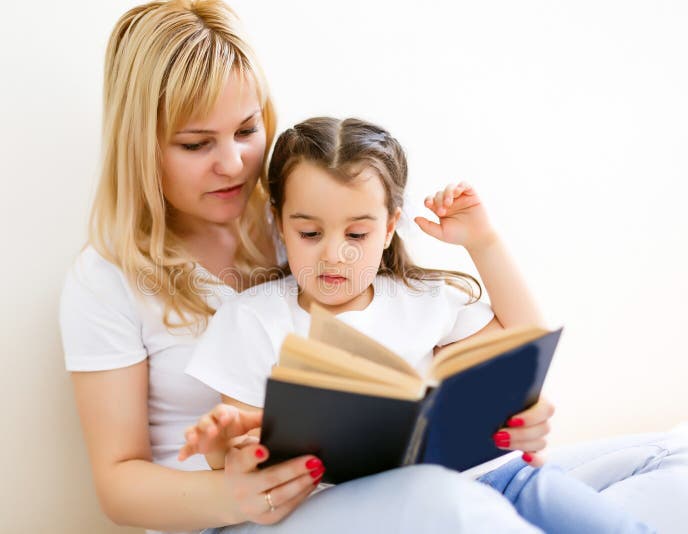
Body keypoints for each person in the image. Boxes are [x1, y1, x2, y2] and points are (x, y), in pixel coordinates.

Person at [59, 1, 688, 533]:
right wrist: (233, 491)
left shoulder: (318, 221)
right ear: (141, 145)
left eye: (247, 130)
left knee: (670, 457)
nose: (233, 163)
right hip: (262, 513)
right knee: (446, 500)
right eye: (197, 144)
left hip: (424, 488)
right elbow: (120, 484)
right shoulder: (112, 278)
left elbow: (496, 349)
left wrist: (513, 408)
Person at [177, 116, 660, 533]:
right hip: (383, 511)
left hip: (499, 476)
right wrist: (224, 446)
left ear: (389, 228)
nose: (334, 254)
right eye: (309, 233)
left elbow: (526, 346)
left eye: (357, 233)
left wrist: (483, 243)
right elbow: (240, 451)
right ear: (280, 222)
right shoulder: (254, 318)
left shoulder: (422, 299)